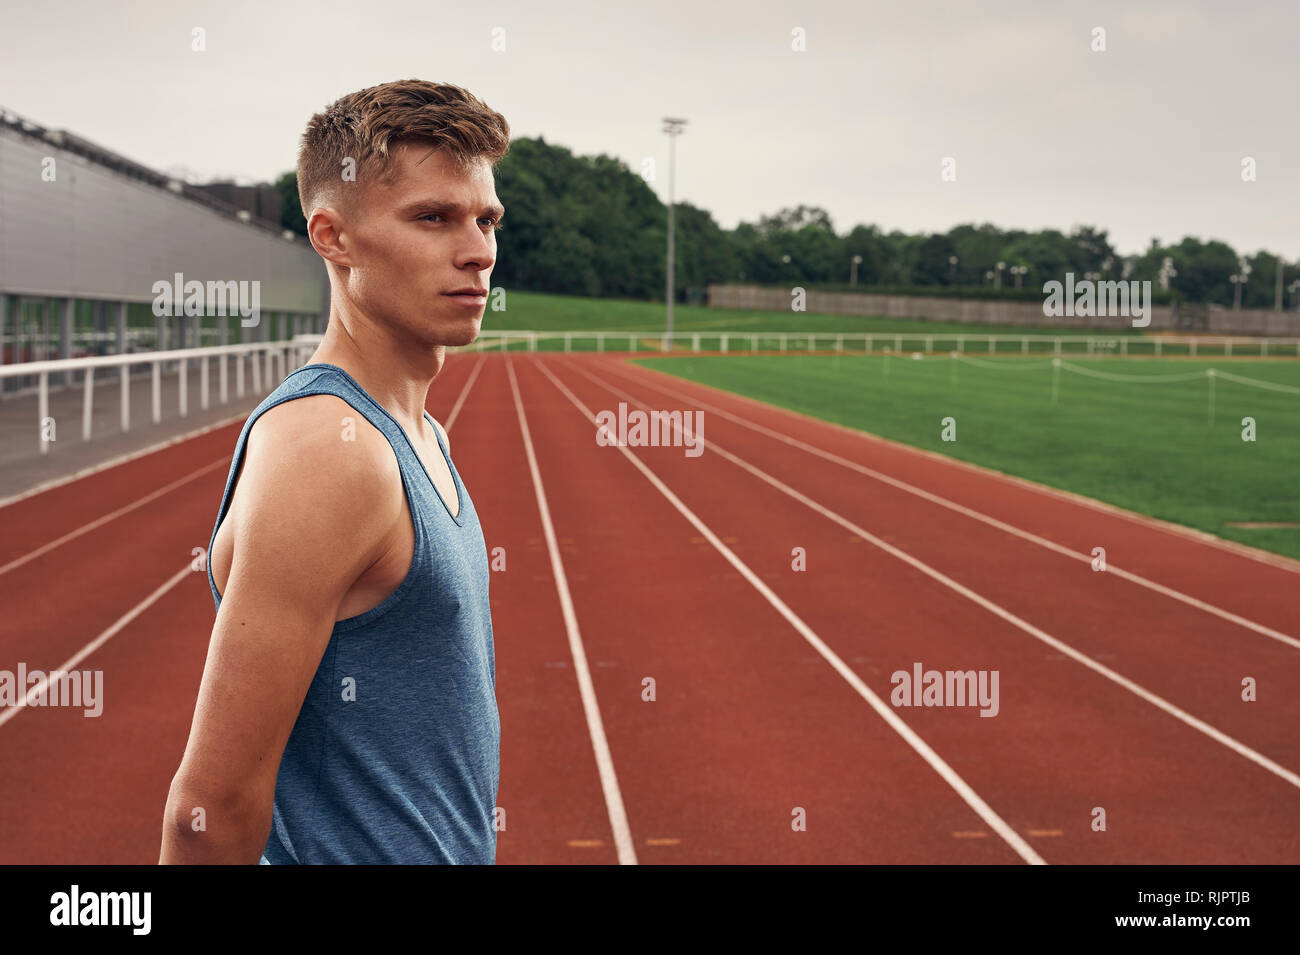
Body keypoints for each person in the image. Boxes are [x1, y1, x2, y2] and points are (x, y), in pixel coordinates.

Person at [159, 79, 509, 864]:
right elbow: (207, 810)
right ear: (333, 236)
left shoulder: (420, 434)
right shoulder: (329, 450)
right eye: (434, 217)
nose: (479, 249)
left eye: (486, 219)